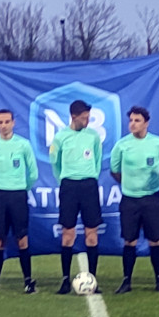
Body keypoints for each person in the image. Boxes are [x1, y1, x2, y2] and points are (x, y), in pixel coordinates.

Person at [111, 105, 159, 292]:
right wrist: (130, 184)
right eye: (130, 120)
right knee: (129, 240)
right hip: (130, 200)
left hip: (151, 199)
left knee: (155, 240)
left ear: (146, 123)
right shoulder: (122, 145)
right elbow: (115, 170)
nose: (132, 124)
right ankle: (126, 281)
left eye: (137, 120)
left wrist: (150, 185)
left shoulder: (158, 143)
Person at [0, 107, 39, 294]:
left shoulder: (23, 145)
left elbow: (33, 173)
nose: (3, 126)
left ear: (13, 123)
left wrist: (22, 187)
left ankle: (28, 281)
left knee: (22, 238)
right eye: (0, 122)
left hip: (18, 196)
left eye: (7, 122)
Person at [50, 99, 106, 294]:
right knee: (68, 234)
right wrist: (66, 180)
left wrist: (90, 177)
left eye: (89, 117)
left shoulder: (93, 136)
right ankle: (65, 280)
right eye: (84, 118)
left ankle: (93, 279)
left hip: (89, 185)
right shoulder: (60, 138)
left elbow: (98, 161)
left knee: (92, 233)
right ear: (74, 116)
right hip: (69, 186)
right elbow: (55, 163)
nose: (88, 121)